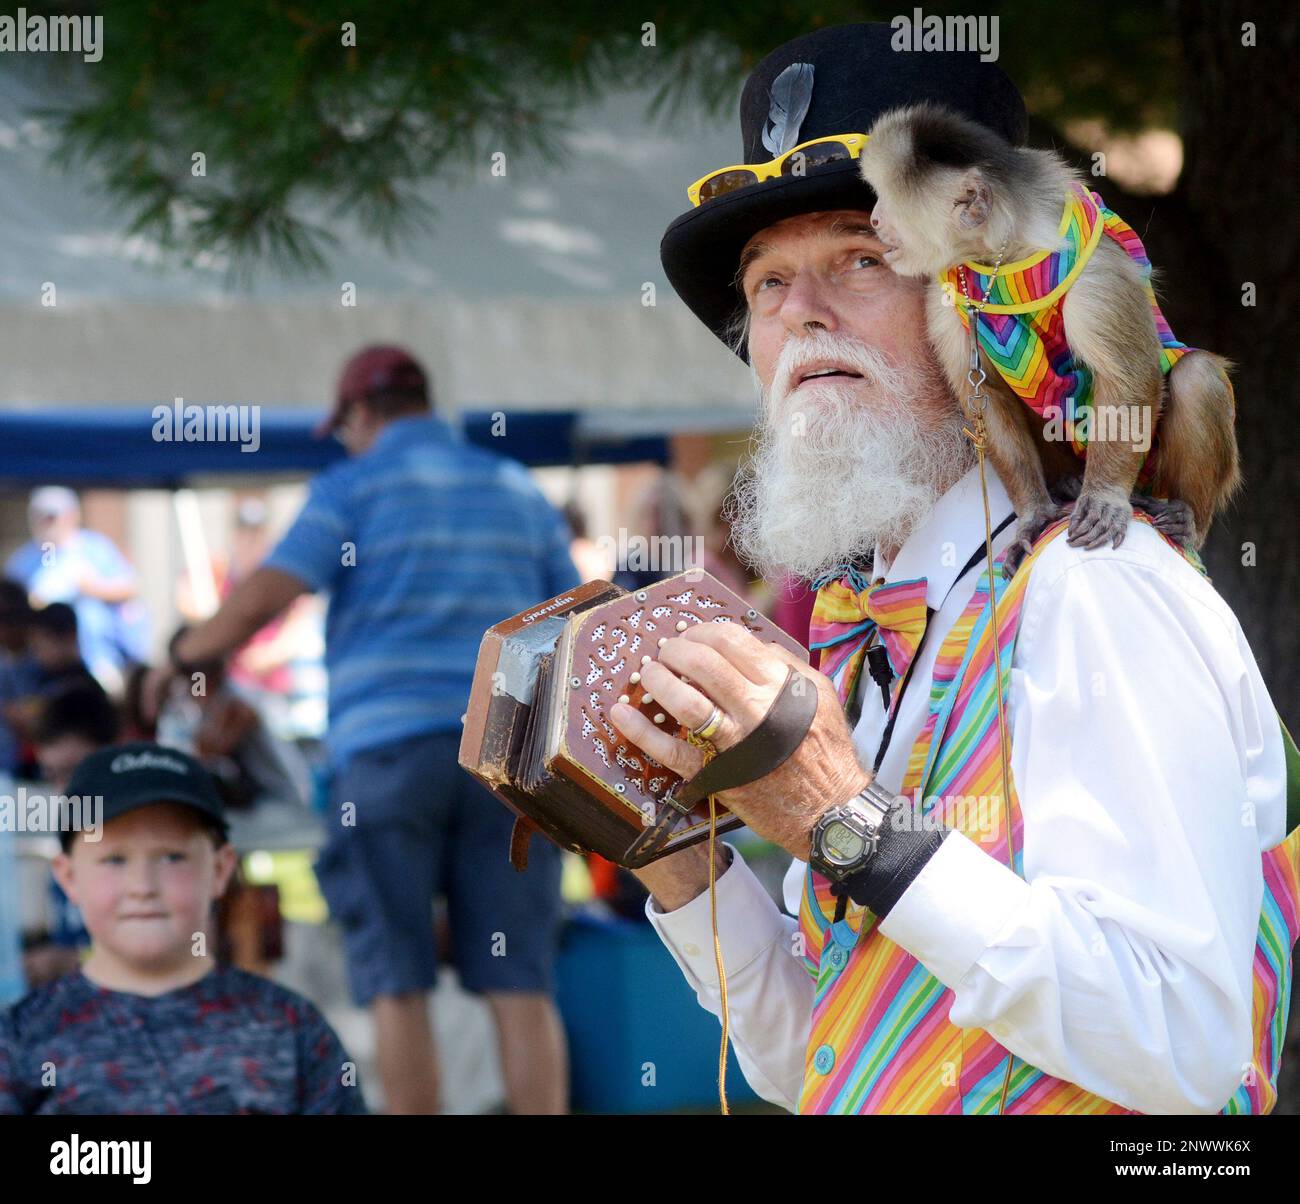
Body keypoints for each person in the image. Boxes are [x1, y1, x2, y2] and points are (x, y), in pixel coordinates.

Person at [612, 23, 1299, 1115]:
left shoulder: (1091, 586)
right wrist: (666, 854)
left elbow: (1186, 1043)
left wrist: (851, 824)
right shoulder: (856, 625)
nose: (799, 312)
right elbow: (830, 1061)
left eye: (860, 258)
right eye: (768, 282)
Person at [157, 345, 579, 1114]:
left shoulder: (350, 487)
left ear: (358, 417)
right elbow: (578, 616)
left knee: (396, 981)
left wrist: (185, 651)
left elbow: (263, 600)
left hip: (388, 756)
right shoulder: (515, 488)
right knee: (522, 979)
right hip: (509, 757)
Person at [0, 742, 365, 1114]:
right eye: (114, 859)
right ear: (68, 877)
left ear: (220, 870)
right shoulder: (19, 1040)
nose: (142, 887)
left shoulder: (291, 1029)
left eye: (173, 857)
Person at [5, 487, 149, 694]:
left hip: (99, 658)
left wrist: (93, 587)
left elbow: (130, 586)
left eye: (51, 517)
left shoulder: (94, 548)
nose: (46, 523)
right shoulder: (23, 560)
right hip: (39, 664)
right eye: (39, 517)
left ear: (71, 516)